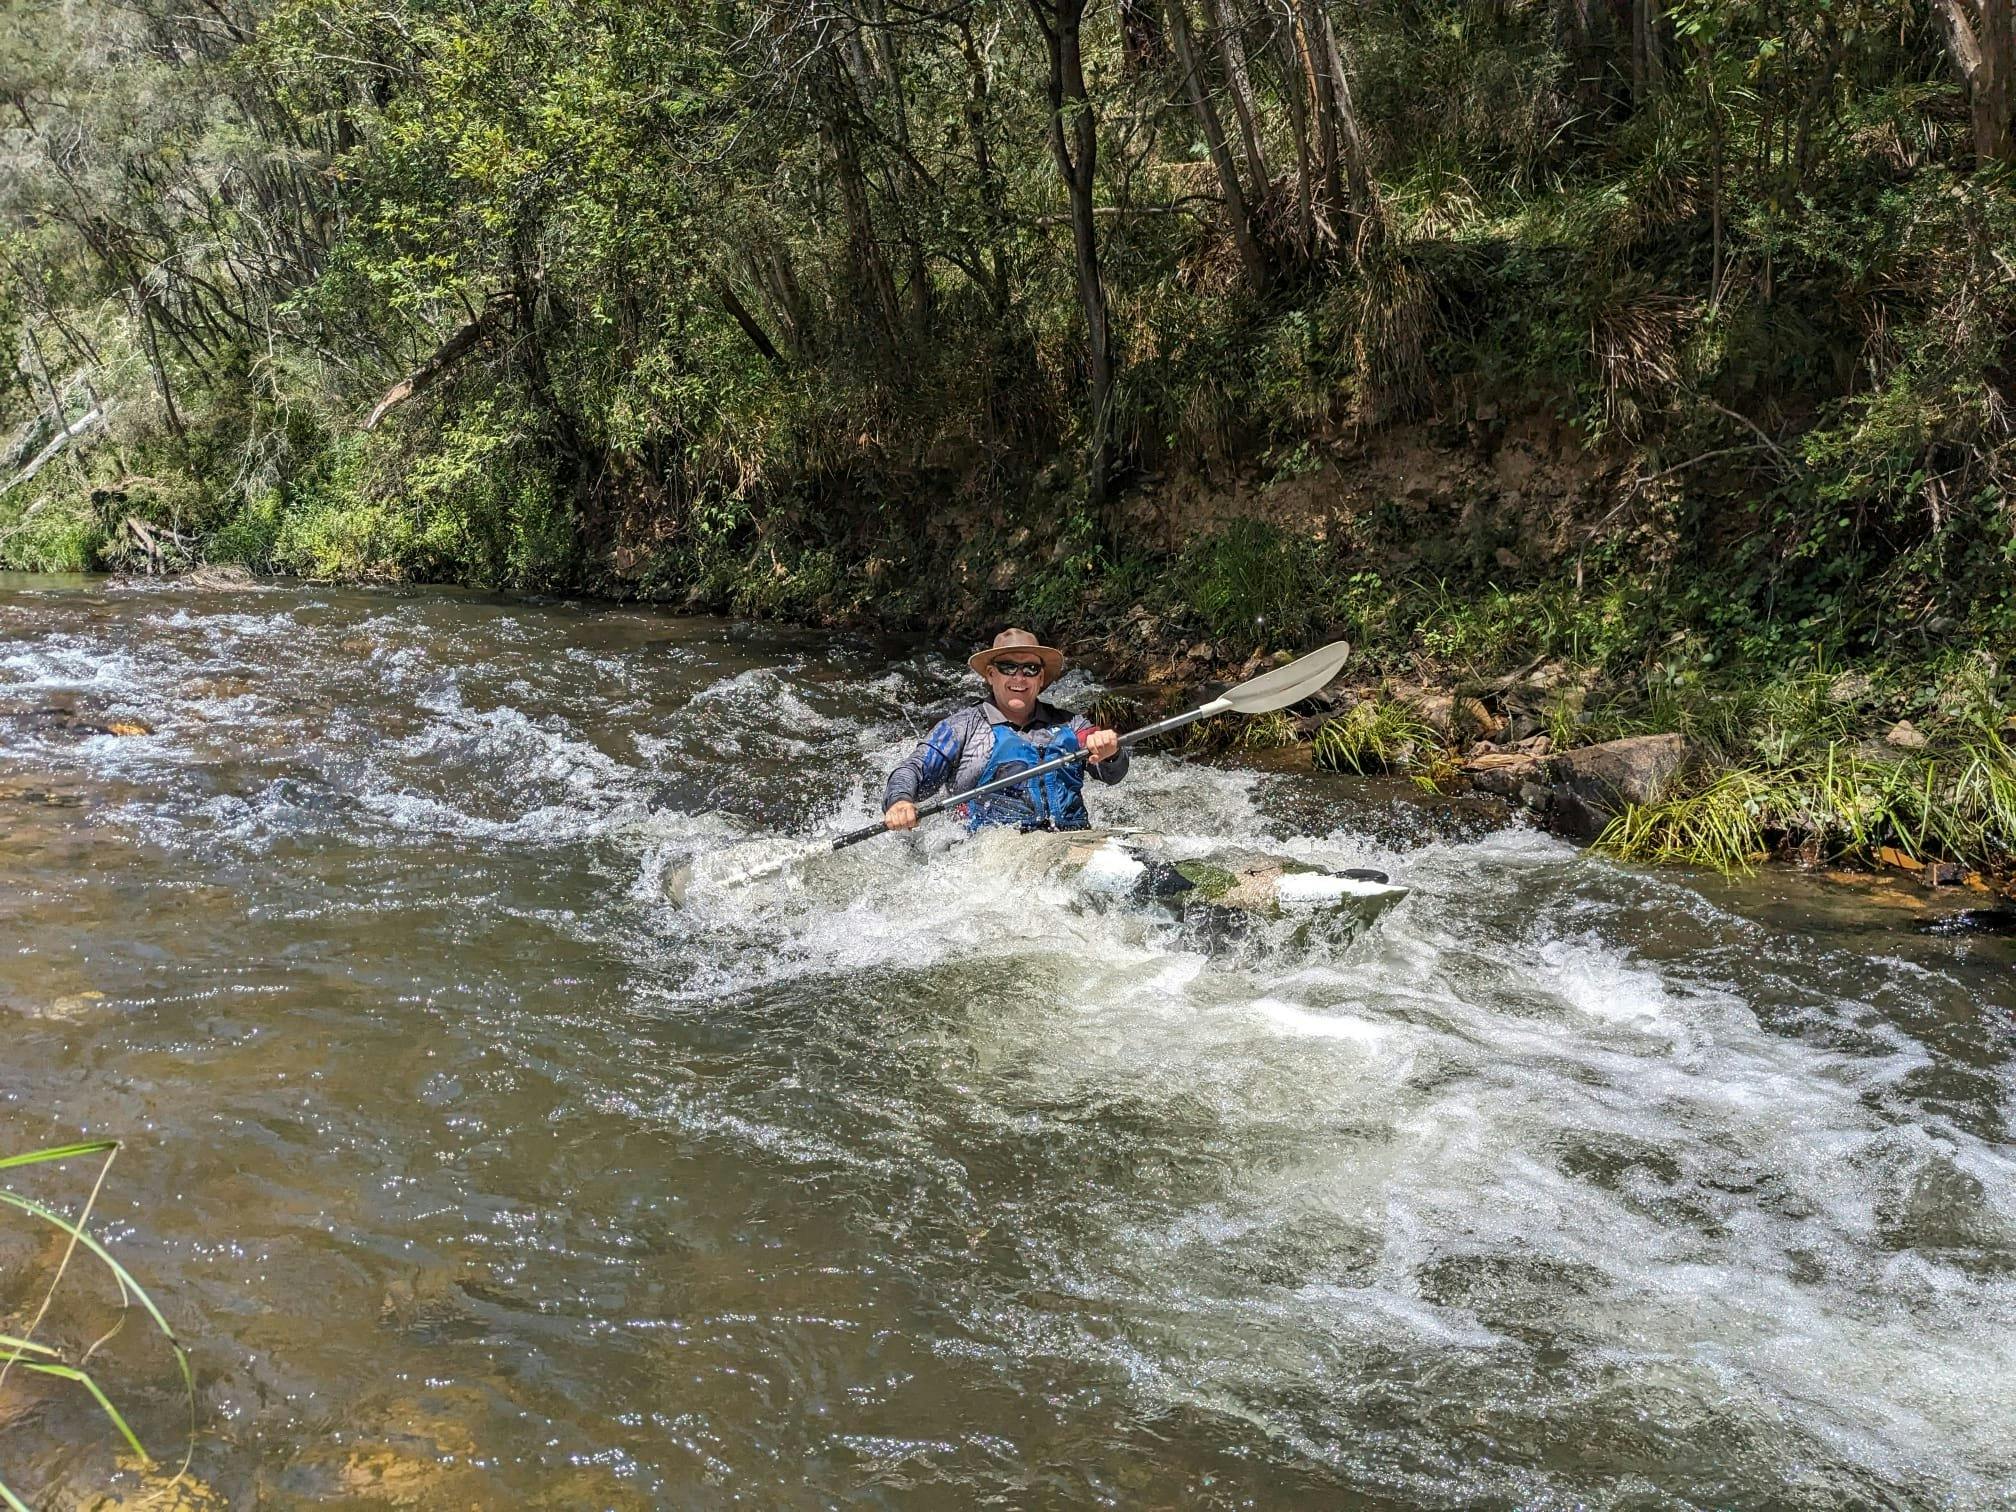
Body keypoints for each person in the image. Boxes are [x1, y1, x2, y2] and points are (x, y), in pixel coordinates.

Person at [883, 628, 1126, 833]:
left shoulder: (1072, 725)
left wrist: (1111, 752)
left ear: (1040, 678)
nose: (1019, 677)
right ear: (991, 674)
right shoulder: (961, 728)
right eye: (1008, 667)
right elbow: (912, 769)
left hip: (1070, 842)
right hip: (991, 855)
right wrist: (900, 801)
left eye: (1030, 669)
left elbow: (1113, 774)